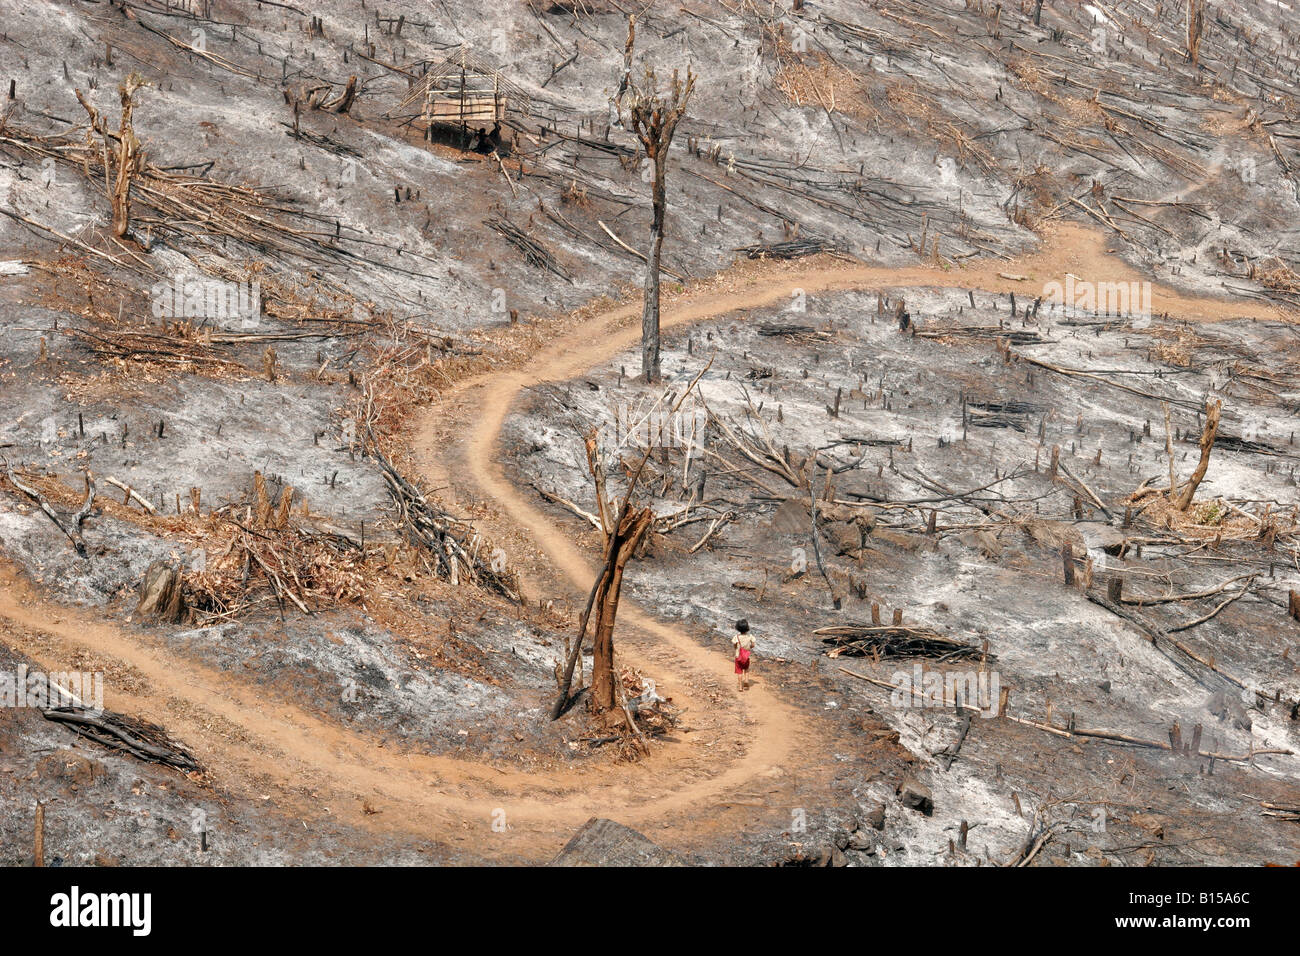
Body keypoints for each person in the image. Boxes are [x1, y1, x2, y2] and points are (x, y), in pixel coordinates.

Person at [732, 619, 755, 692]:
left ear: (737, 628)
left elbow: (734, 644)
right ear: (747, 628)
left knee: (739, 672)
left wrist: (737, 649)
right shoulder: (750, 636)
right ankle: (746, 681)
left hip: (738, 657)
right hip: (746, 657)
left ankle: (740, 687)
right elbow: (753, 644)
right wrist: (749, 648)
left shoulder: (736, 637)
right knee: (746, 669)